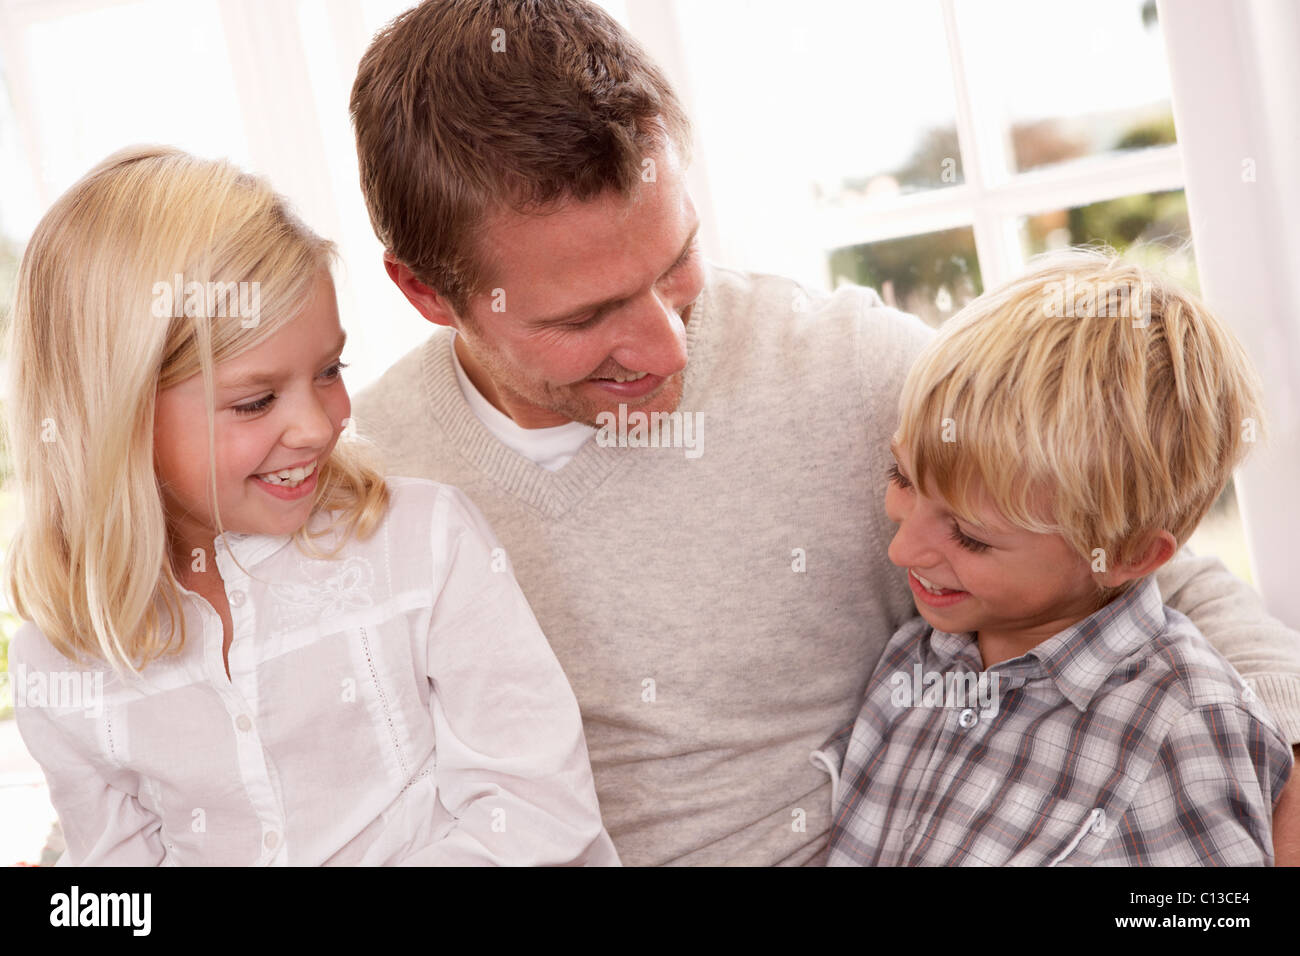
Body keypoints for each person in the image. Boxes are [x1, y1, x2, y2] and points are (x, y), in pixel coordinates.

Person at [346, 0, 1300, 866]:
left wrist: (1280, 762)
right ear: (425, 291)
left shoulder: (846, 366)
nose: (668, 346)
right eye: (586, 316)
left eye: (678, 263)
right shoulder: (365, 484)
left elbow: (1134, 576)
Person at [3, 145, 619, 867]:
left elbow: (539, 812)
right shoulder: (61, 655)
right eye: (256, 401)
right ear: (114, 418)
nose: (319, 426)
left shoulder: (422, 545)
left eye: (329, 370)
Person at [811, 250, 1292, 865]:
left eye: (971, 536)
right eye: (901, 478)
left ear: (1128, 554)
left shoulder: (1183, 733)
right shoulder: (916, 657)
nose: (901, 549)